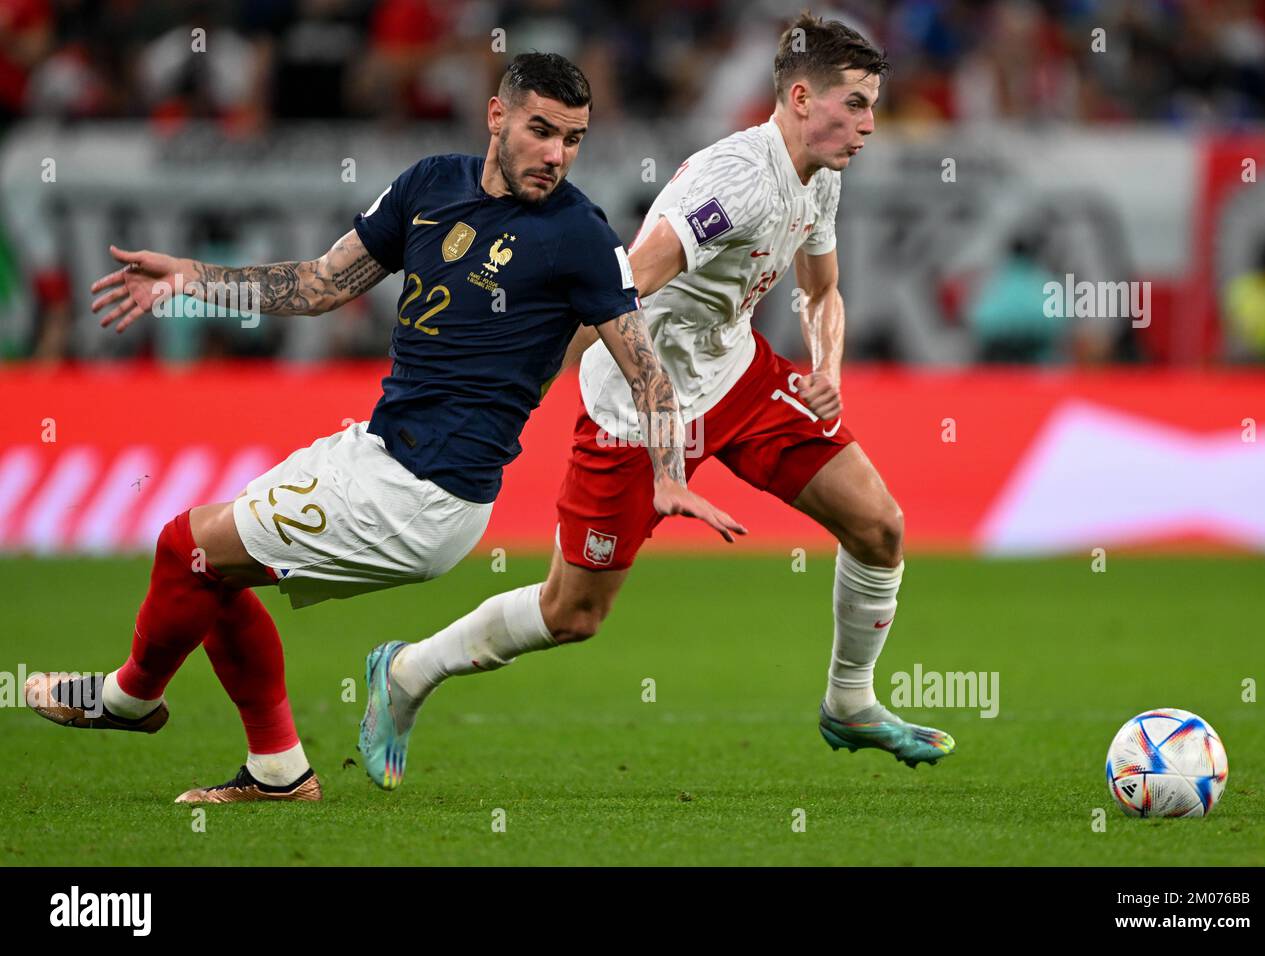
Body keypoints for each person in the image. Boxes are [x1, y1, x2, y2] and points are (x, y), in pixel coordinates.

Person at [24, 52, 742, 804]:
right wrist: (190, 281)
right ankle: (277, 773)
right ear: (496, 117)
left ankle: (129, 699)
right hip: (377, 450)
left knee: (185, 547)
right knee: (212, 571)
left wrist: (668, 474)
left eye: (573, 139)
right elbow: (317, 285)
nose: (556, 155)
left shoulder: (579, 235)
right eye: (541, 131)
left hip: (426, 493)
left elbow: (650, 373)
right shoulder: (430, 184)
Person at [359, 14, 955, 792]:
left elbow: (822, 288)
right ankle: (405, 672)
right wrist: (524, 385)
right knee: (572, 613)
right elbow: (622, 284)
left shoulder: (824, 173)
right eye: (858, 104)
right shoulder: (737, 180)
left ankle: (849, 702)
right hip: (636, 408)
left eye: (875, 104)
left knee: (880, 527)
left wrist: (828, 369)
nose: (872, 124)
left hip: (738, 377)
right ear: (803, 98)